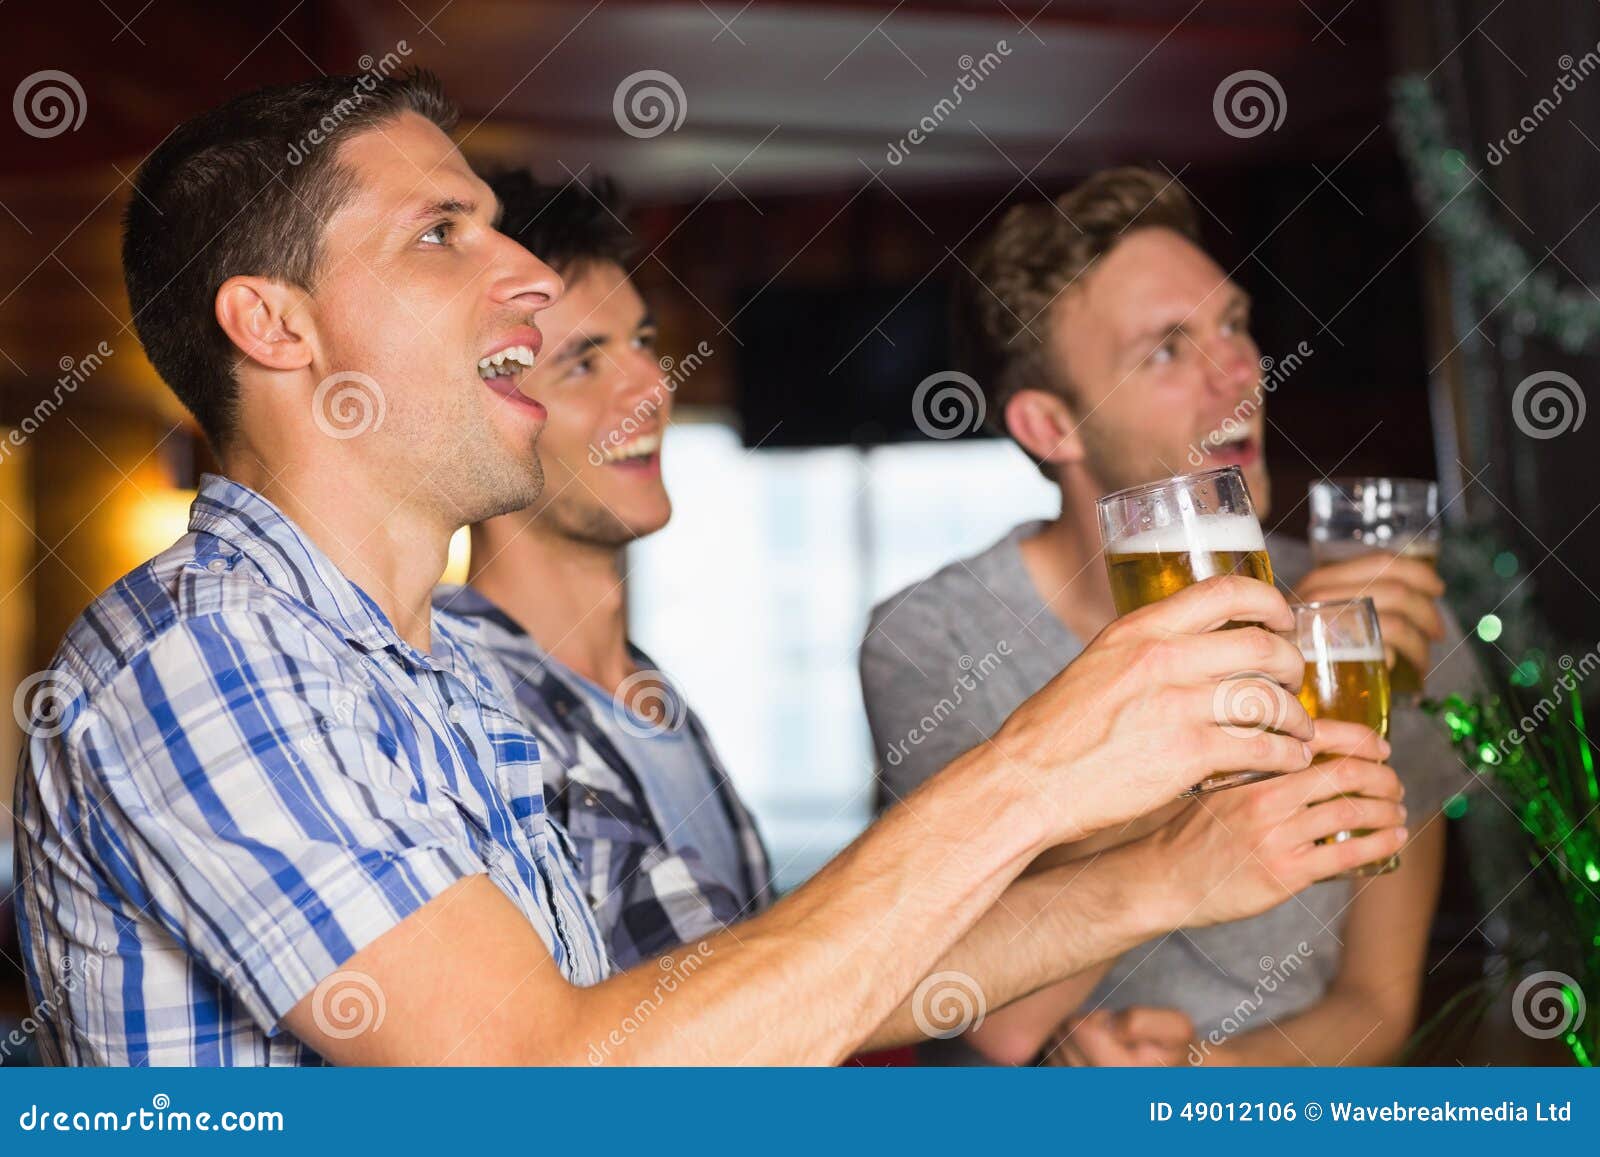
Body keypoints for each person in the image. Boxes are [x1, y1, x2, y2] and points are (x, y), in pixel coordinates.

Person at [11, 77, 1405, 1067]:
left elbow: (706, 1002)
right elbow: (542, 1088)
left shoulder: (451, 667)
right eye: (442, 234)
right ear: (275, 326)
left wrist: (1165, 874)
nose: (528, 275)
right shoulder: (202, 656)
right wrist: (1042, 768)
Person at [435, 172, 1405, 989]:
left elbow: (775, 995)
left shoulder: (650, 701)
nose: (653, 387)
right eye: (582, 361)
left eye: (646, 343)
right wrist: (1146, 841)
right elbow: (707, 1020)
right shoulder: (473, 705)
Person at [861, 167, 1472, 1067]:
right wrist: (1241, 692)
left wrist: (1205, 1078)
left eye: (1233, 324)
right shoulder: (934, 639)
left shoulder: (1361, 614)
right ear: (1050, 426)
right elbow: (1001, 1023)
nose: (1240, 371)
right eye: (1165, 351)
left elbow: (1377, 1000)